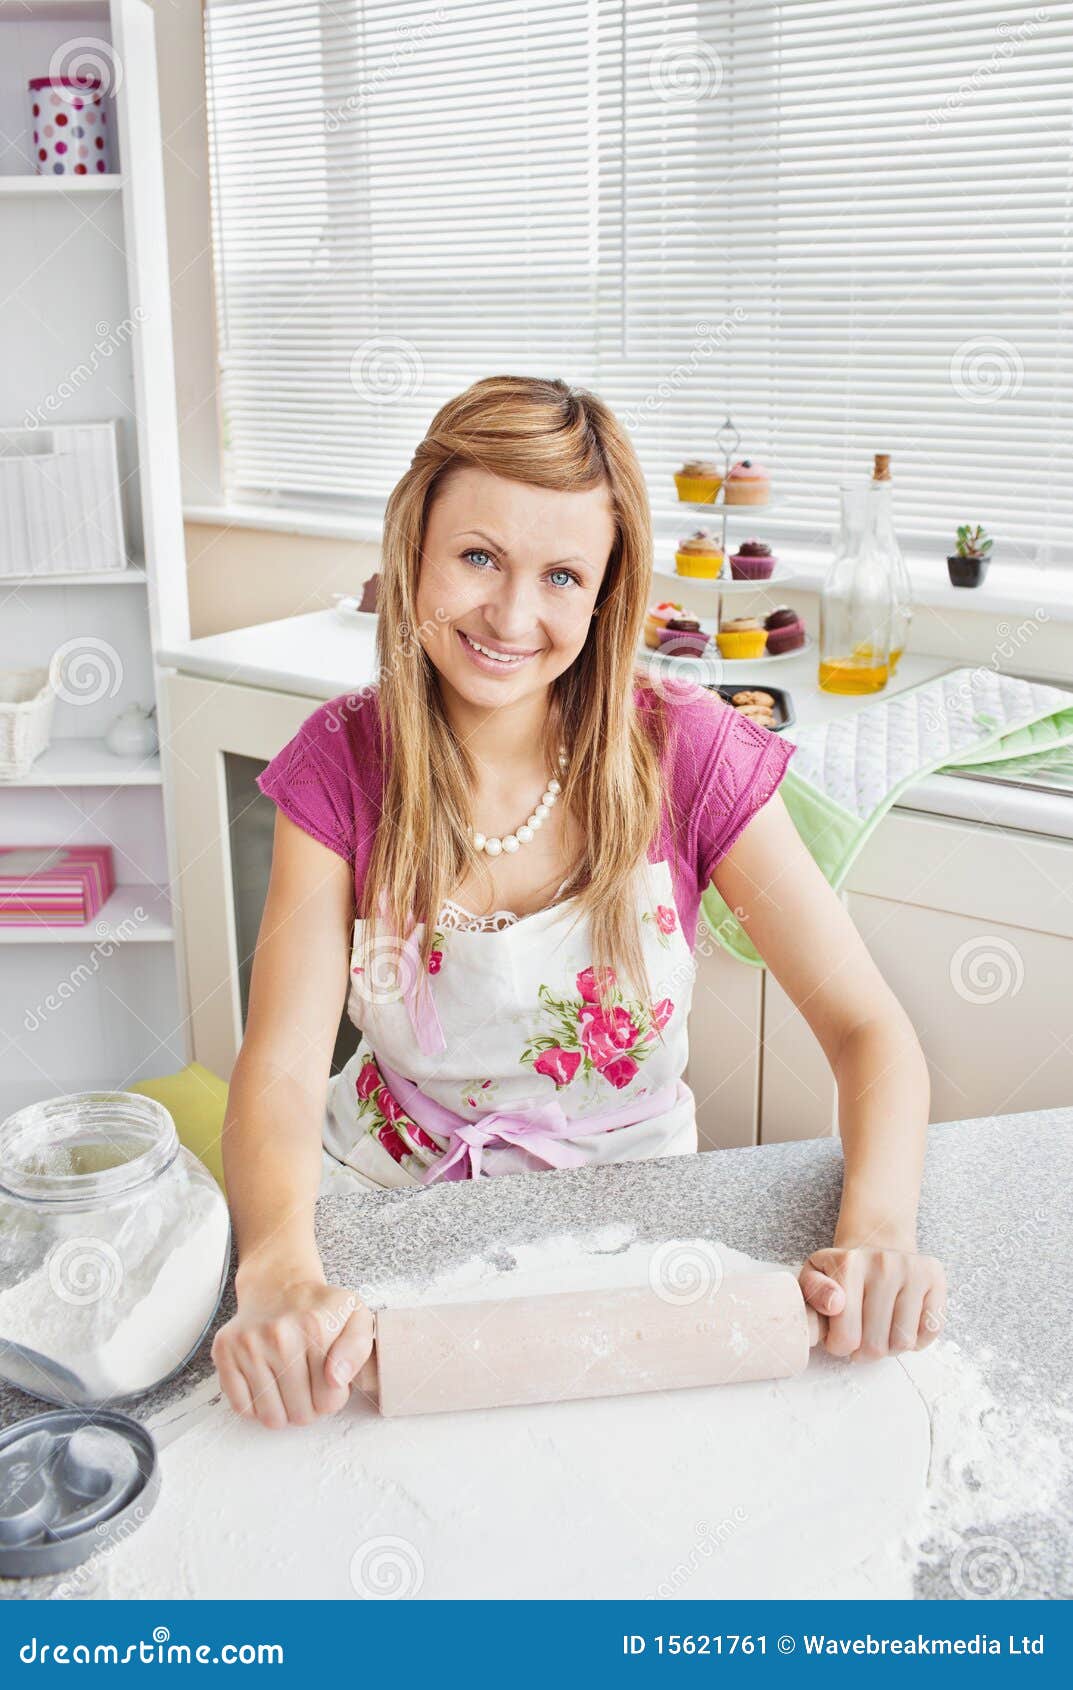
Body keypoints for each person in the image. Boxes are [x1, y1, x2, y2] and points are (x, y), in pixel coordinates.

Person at [212, 375, 945, 1430]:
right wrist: (278, 1262)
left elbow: (866, 1027)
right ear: (414, 545)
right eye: (477, 556)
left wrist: (878, 1227)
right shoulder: (341, 765)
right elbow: (280, 1064)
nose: (512, 615)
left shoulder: (681, 750)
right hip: (377, 1213)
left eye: (561, 575)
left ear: (606, 593)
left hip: (634, 1232)